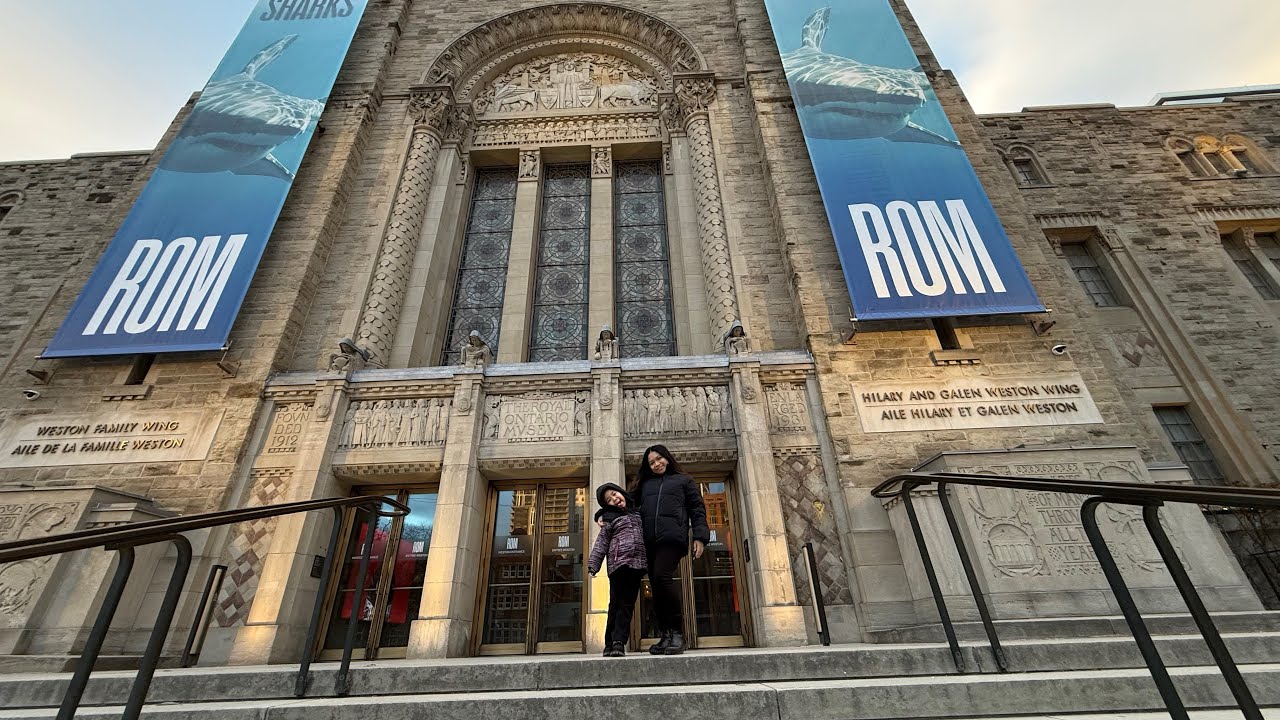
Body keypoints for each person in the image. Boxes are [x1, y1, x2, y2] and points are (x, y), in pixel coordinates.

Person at [630, 444, 709, 655]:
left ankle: (677, 634)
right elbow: (625, 504)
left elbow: (697, 508)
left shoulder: (684, 481)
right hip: (650, 541)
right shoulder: (644, 485)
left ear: (667, 457)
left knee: (662, 577)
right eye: (651, 462)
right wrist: (603, 514)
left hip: (672, 539)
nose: (656, 464)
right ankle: (665, 635)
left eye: (659, 459)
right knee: (656, 584)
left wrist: (700, 536)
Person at [586, 483, 647, 657]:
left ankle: (619, 642)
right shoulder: (609, 518)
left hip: (636, 565)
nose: (614, 499)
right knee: (615, 604)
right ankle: (609, 643)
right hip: (618, 565)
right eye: (609, 500)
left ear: (621, 492)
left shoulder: (638, 513)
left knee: (626, 606)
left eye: (614, 494)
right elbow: (601, 543)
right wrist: (594, 564)